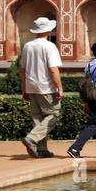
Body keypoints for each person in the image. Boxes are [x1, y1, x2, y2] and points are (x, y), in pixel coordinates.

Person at [20, 17, 63, 158]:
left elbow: (23, 69)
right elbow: (53, 69)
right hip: (46, 86)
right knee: (54, 115)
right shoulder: (49, 46)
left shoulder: (28, 45)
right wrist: (60, 88)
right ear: (49, 30)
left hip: (31, 85)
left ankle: (41, 150)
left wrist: (24, 89)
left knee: (37, 118)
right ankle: (32, 138)